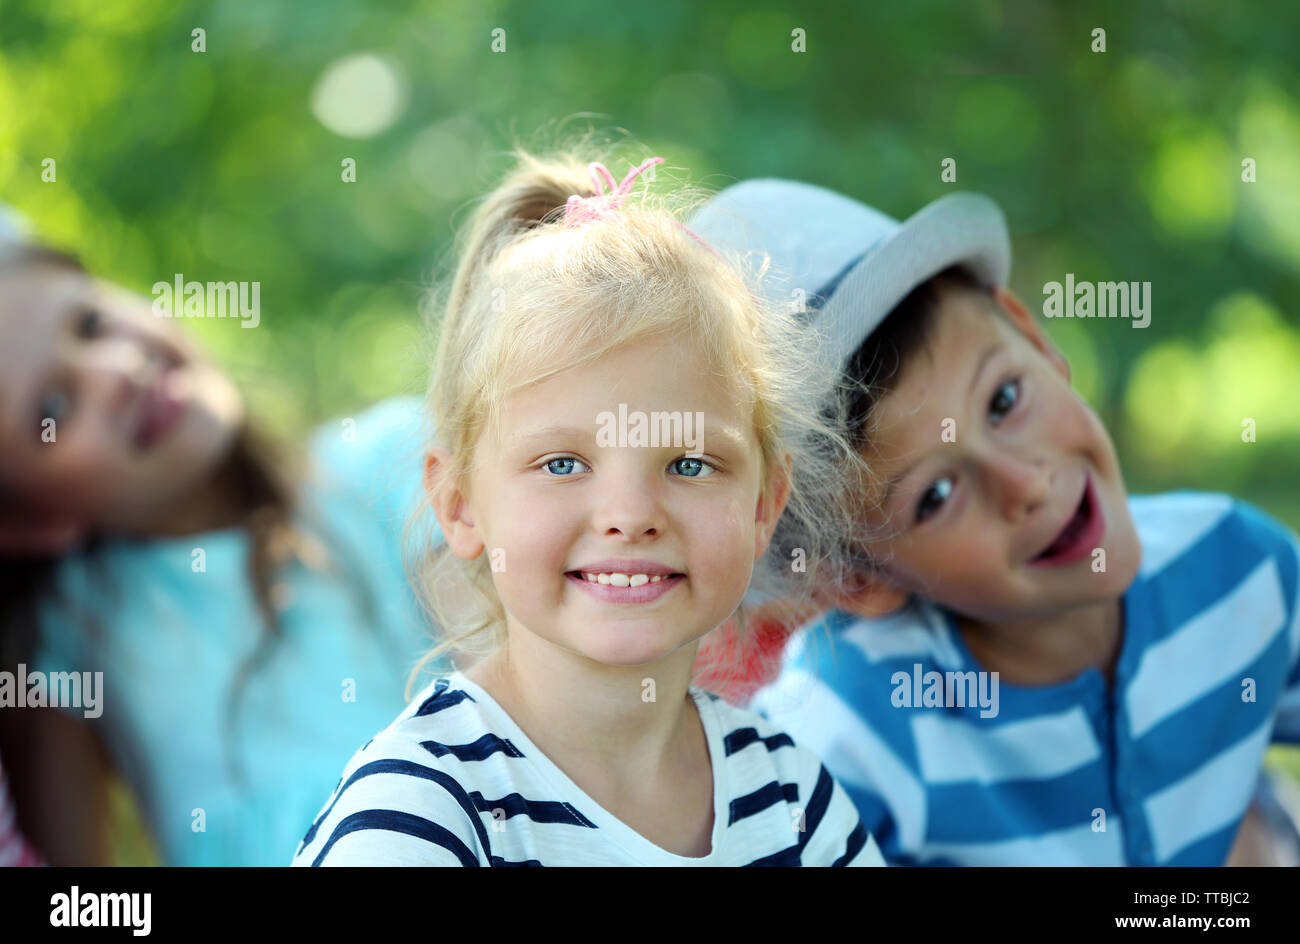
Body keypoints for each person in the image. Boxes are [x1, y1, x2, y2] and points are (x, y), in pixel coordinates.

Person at [292, 151, 886, 866]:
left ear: (765, 503)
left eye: (690, 463)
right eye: (563, 464)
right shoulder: (420, 818)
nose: (631, 515)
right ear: (459, 505)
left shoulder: (792, 799)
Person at [688, 180, 1300, 866]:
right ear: (854, 578)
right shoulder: (852, 736)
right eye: (937, 494)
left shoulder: (1237, 568)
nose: (1027, 484)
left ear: (1034, 337)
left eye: (1005, 399)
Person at [0, 204, 441, 865]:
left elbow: (533, 719)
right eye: (54, 408)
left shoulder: (395, 465)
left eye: (91, 322)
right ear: (32, 521)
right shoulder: (76, 628)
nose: (118, 368)